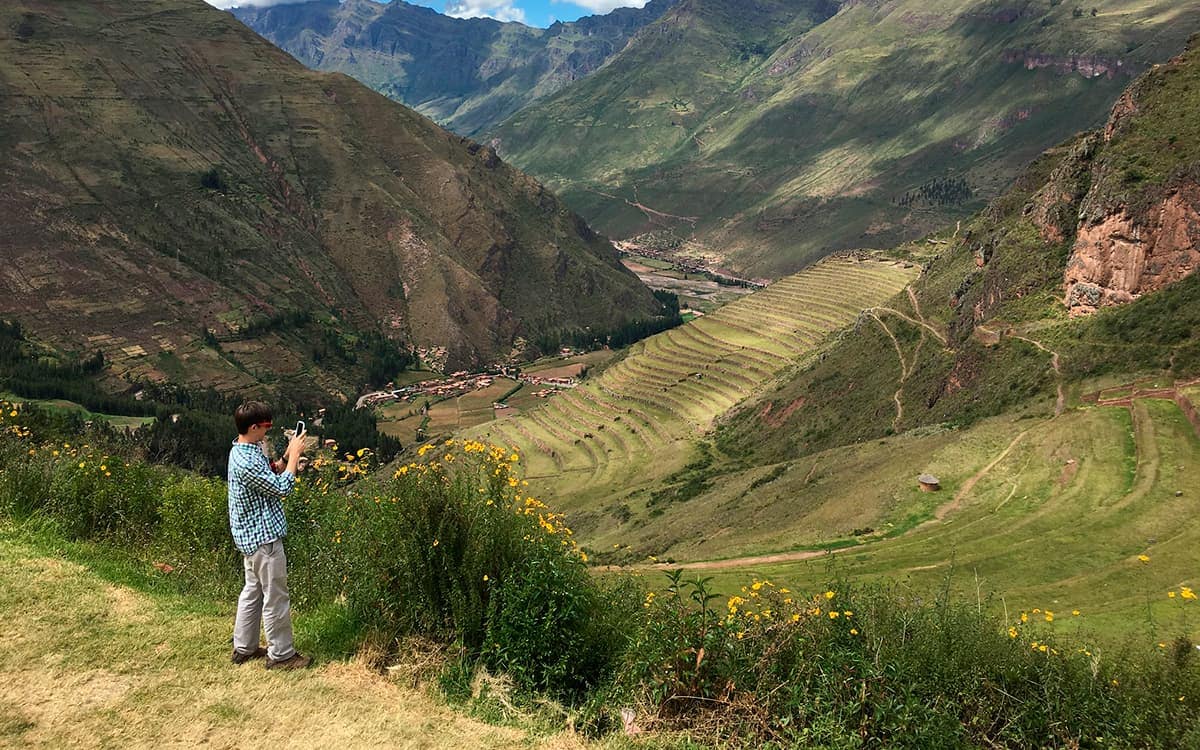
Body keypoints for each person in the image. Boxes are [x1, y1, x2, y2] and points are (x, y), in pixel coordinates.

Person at [227, 401, 312, 670]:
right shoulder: (247, 461)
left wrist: (285, 459)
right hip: (264, 539)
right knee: (276, 596)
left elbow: (269, 473)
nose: (269, 431)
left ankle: (244, 647)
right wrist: (296, 457)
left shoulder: (243, 451)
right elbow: (282, 488)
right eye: (266, 427)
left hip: (250, 538)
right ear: (253, 427)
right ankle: (282, 655)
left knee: (252, 591)